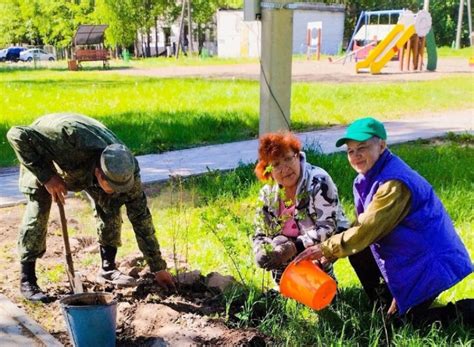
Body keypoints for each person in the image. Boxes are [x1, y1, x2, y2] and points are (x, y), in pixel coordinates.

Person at [295, 117, 473, 326]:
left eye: (362, 148)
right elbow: (362, 225)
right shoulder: (367, 177)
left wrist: (326, 248)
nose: (355, 155)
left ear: (382, 145)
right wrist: (333, 253)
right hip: (408, 252)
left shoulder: (394, 183)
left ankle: (466, 311)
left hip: (427, 260)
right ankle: (386, 303)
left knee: (405, 325)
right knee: (358, 251)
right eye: (350, 151)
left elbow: (368, 229)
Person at [7, 113, 175, 302]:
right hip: (41, 151)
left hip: (83, 162)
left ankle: (108, 268)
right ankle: (27, 279)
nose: (117, 190)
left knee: (111, 203)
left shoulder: (125, 169)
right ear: (98, 173)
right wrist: (47, 176)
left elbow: (141, 218)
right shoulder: (68, 140)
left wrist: (157, 266)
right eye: (112, 185)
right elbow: (17, 134)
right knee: (39, 206)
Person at [253, 132, 349, 284]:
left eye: (288, 159)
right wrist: (261, 251)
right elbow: (260, 233)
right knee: (277, 242)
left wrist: (293, 247)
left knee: (322, 295)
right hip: (284, 246)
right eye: (276, 164)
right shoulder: (267, 194)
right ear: (268, 170)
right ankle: (283, 285)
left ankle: (325, 279)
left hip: (323, 241)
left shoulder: (319, 181)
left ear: (297, 156)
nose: (285, 169)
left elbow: (328, 227)